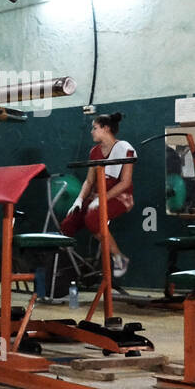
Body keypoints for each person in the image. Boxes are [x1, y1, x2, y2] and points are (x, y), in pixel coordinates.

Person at [61, 112, 135, 278]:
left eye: (94, 128)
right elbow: (88, 181)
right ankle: (63, 270)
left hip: (121, 197)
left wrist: (102, 199)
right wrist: (79, 200)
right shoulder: (94, 151)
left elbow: (125, 183)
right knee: (68, 222)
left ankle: (119, 258)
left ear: (106, 128)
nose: (91, 131)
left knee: (93, 218)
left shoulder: (125, 149)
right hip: (96, 197)